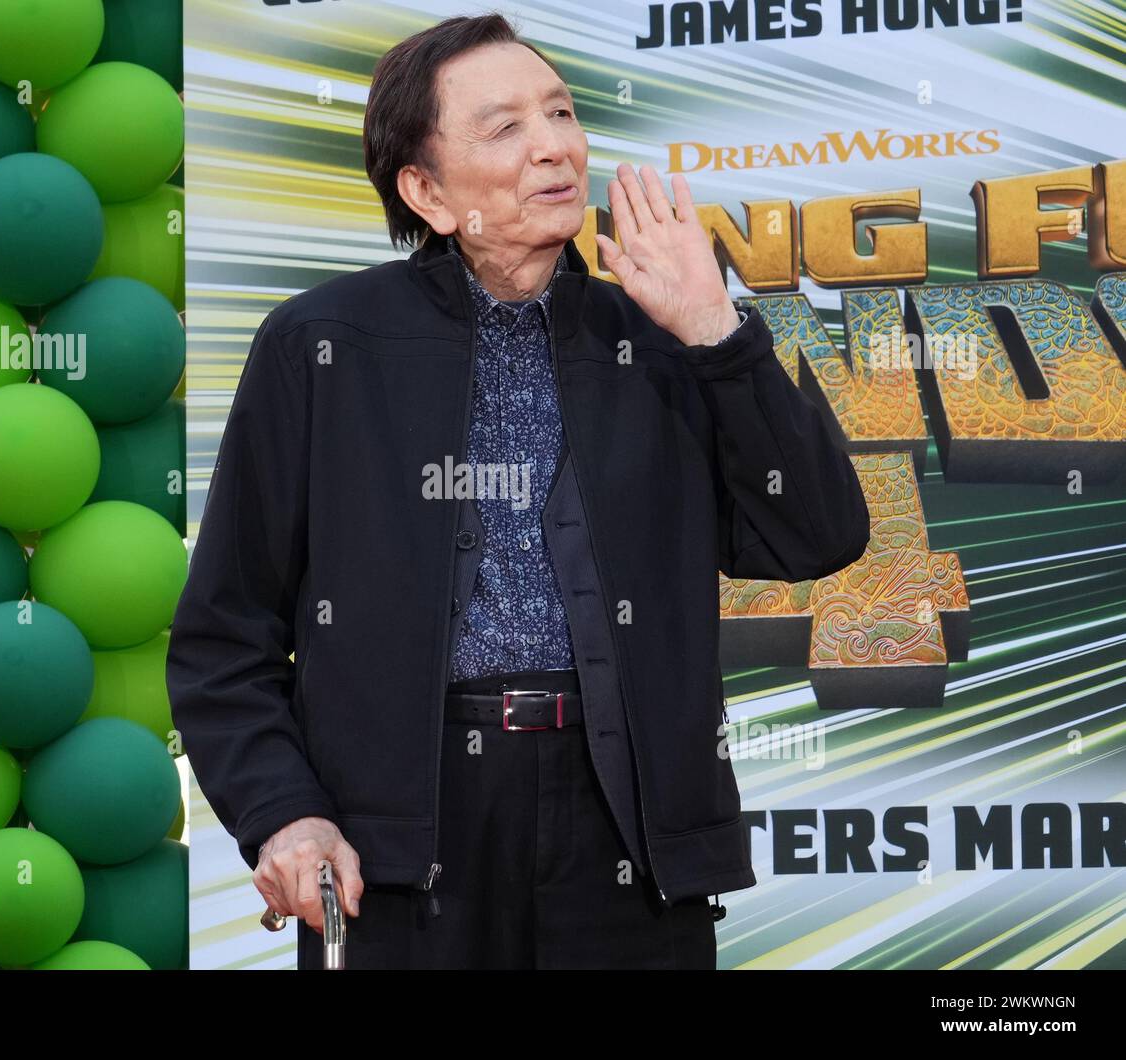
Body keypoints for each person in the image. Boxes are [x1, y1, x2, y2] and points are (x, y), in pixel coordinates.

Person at [165, 13, 870, 969]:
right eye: (504, 129)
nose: (554, 146)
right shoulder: (321, 345)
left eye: (563, 113)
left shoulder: (661, 338)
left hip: (626, 824)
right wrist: (286, 817)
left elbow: (817, 537)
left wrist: (717, 332)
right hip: (402, 845)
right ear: (427, 190)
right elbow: (224, 637)